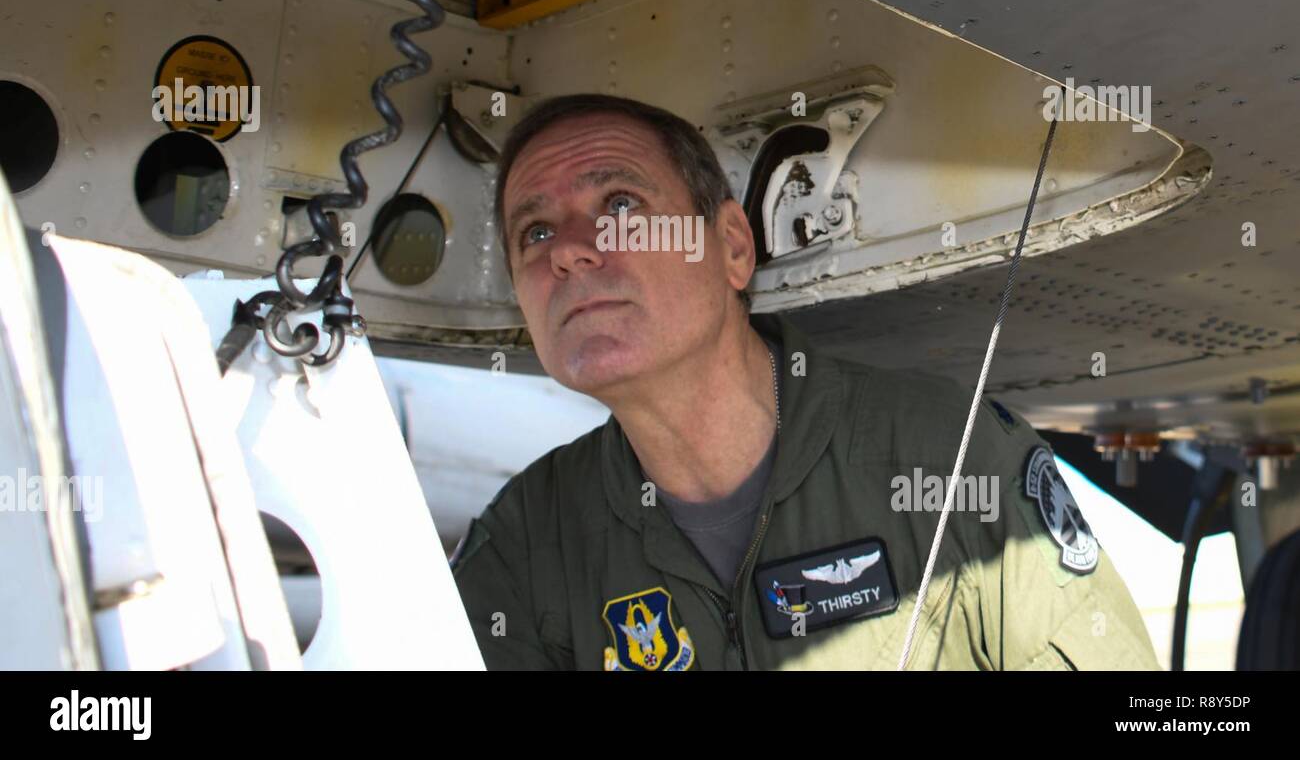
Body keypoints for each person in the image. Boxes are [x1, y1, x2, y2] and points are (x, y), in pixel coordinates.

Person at [450, 92, 1161, 671]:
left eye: (620, 208)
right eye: (535, 233)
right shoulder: (526, 544)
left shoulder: (942, 453)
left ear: (731, 247)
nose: (571, 251)